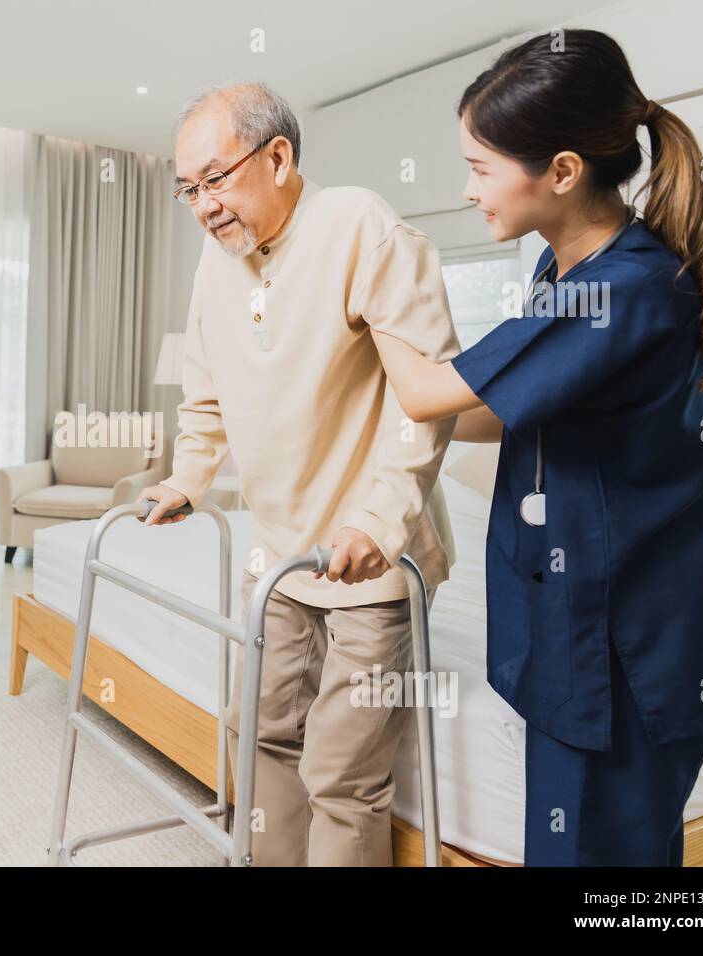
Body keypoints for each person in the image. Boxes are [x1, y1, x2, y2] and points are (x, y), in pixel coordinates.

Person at [369, 29, 703, 865]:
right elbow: (496, 413)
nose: (467, 191)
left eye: (480, 167)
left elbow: (429, 392)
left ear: (564, 171)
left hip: (624, 655)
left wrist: (374, 285)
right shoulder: (563, 272)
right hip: (575, 636)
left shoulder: (623, 290)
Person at [138, 82, 461, 865]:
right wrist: (189, 478)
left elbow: (428, 401)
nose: (203, 205)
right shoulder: (218, 265)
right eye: (189, 190)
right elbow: (206, 395)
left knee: (341, 773)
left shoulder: (362, 227)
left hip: (372, 558)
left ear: (278, 156)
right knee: (258, 733)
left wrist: (377, 526)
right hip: (280, 554)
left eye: (215, 179)